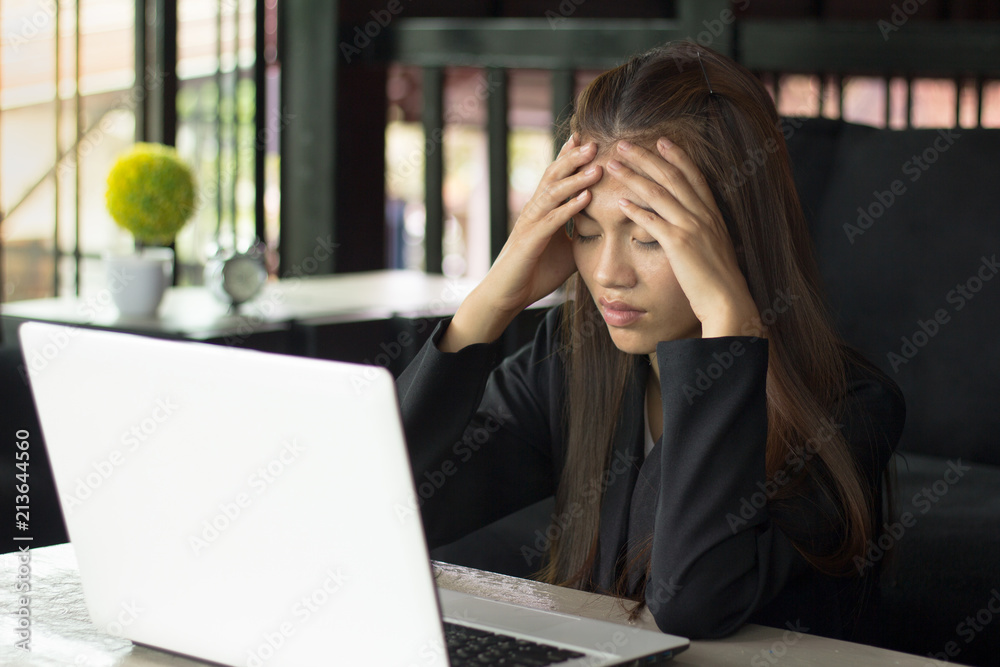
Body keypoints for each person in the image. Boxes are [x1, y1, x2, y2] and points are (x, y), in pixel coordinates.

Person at [397, 40, 905, 641]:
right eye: (586, 233)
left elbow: (691, 603)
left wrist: (727, 323)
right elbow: (390, 509)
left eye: (649, 239)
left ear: (735, 240)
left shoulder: (848, 407)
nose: (610, 273)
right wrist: (491, 302)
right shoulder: (574, 359)